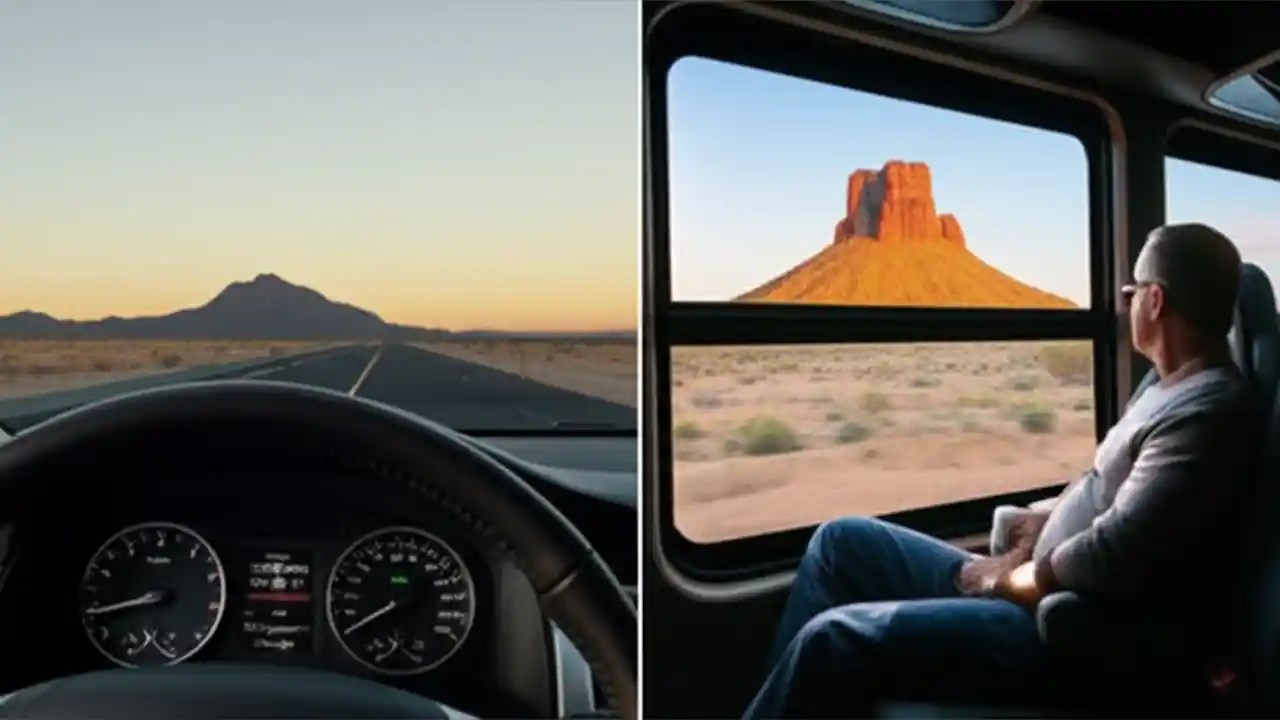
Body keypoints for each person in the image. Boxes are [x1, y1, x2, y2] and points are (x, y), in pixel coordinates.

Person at [743, 223, 1260, 718]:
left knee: (831, 640)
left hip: (1065, 627)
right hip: (1035, 580)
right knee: (839, 543)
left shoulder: (1206, 414)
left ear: (1155, 299)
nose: (1125, 305)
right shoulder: (1162, 388)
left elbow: (1116, 551)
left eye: (1131, 292)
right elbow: (1108, 488)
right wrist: (1042, 520)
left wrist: (1010, 579)